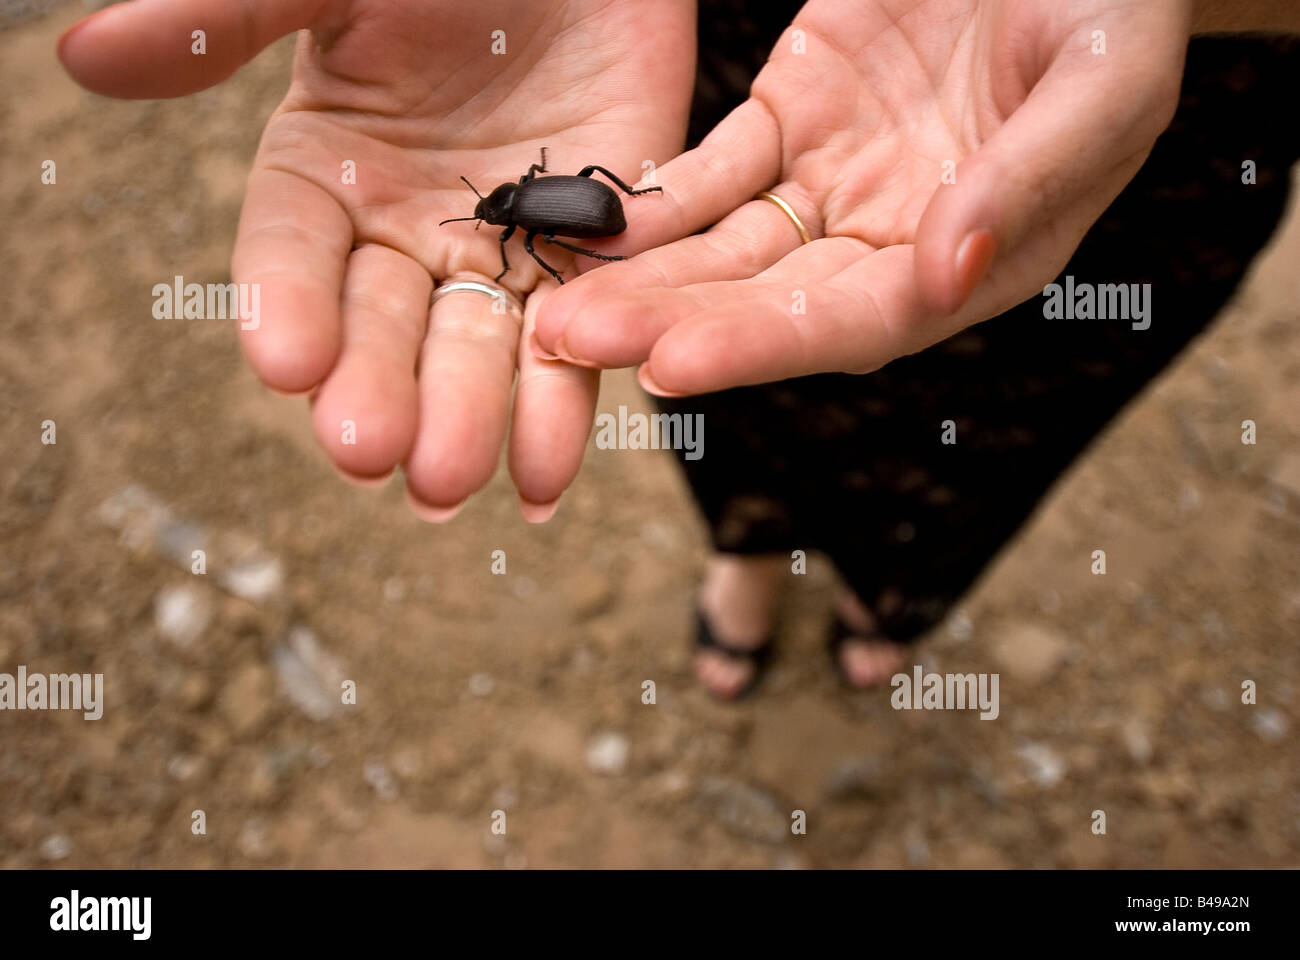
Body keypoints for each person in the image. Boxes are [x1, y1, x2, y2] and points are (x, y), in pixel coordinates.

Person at [59, 0, 1300, 700]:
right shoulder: (542, 191)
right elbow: (575, 209)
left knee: (996, 406)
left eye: (494, 215)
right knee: (717, 351)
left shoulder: (521, 213)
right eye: (501, 217)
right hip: (721, 63)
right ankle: (753, 551)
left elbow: (559, 221)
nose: (495, 222)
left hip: (1140, 123)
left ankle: (895, 593)